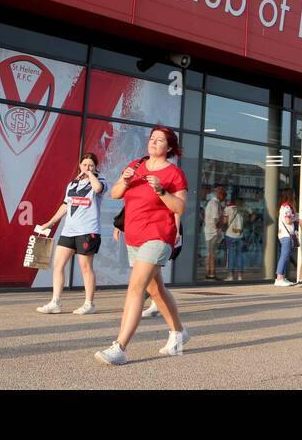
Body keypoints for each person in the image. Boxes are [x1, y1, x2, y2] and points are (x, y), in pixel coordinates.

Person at [95, 125, 190, 366]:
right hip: (134, 236)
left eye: (160, 141)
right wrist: (125, 182)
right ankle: (179, 332)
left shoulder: (174, 174)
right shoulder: (136, 165)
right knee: (156, 290)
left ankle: (120, 347)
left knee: (135, 288)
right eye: (152, 139)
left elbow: (179, 207)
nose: (154, 143)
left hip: (158, 235)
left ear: (169, 147)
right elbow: (115, 194)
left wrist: (160, 190)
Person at [35, 152, 105, 315]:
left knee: (85, 267)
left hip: (88, 231)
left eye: (91, 165)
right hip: (69, 231)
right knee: (58, 265)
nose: (87, 167)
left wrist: (90, 175)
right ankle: (55, 302)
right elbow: (66, 205)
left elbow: (97, 188)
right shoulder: (72, 184)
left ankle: (89, 304)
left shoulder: (100, 180)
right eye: (84, 165)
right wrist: (49, 223)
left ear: (95, 167)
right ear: (79, 165)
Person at [274, 189, 297, 287]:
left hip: (284, 235)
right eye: (294, 194)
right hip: (286, 235)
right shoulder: (286, 207)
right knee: (284, 256)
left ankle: (281, 277)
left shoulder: (284, 206)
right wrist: (296, 218)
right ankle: (279, 278)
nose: (295, 196)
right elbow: (288, 221)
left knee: (285, 256)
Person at [202, 186, 226, 280]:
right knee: (212, 253)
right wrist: (219, 229)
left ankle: (209, 272)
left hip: (208, 230)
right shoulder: (215, 203)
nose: (224, 197)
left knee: (209, 253)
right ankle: (211, 273)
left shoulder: (210, 202)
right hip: (213, 231)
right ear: (219, 194)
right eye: (224, 195)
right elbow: (216, 218)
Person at [223, 194, 245, 281]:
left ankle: (230, 276)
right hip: (240, 235)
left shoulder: (227, 209)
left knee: (231, 255)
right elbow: (252, 215)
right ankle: (240, 276)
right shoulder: (242, 209)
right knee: (240, 255)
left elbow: (225, 221)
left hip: (230, 234)